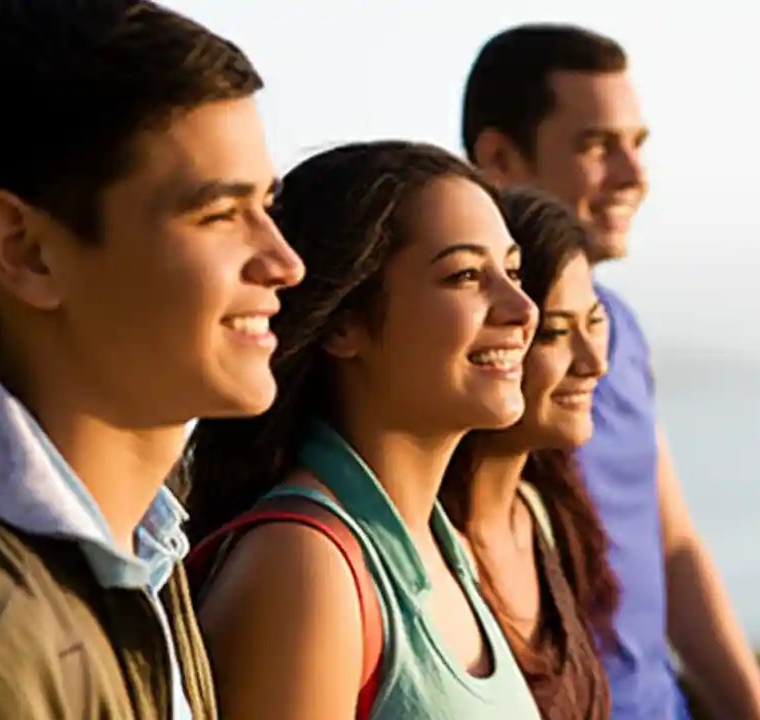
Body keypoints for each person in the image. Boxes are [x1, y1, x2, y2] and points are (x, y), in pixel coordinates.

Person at [0, 1, 301, 717]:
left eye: (268, 207)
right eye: (220, 214)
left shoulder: (146, 554)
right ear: (28, 252)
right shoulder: (7, 629)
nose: (285, 263)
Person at [462, 24, 760, 720]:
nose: (634, 176)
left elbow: (673, 545)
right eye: (597, 146)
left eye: (637, 145)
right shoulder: (461, 356)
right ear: (499, 157)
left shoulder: (621, 333)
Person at [182, 141, 543, 720]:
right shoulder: (306, 566)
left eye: (514, 271)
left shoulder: (439, 545)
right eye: (466, 275)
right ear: (342, 323)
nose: (522, 308)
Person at [441, 187, 616, 719]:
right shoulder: (416, 552)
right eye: (556, 332)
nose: (592, 364)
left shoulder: (546, 518)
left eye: (596, 321)